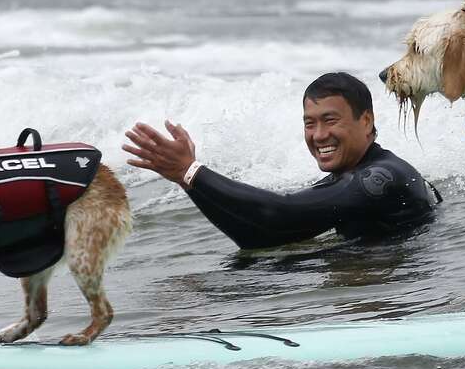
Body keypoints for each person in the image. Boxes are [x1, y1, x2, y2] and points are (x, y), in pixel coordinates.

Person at [122, 72, 439, 249]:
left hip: (398, 301)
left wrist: (192, 171)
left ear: (366, 121)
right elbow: (257, 235)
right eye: (309, 123)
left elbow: (279, 214)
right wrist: (186, 179)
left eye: (330, 120)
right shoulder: (344, 180)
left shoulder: (380, 178)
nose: (318, 135)